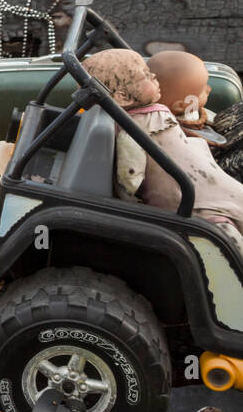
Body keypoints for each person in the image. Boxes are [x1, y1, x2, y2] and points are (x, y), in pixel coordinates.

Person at [83, 48, 243, 256]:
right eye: (146, 76)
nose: (154, 77)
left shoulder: (139, 117)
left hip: (202, 192)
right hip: (192, 206)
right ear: (122, 96)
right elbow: (131, 177)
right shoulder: (142, 125)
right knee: (229, 241)